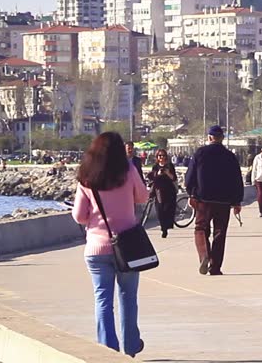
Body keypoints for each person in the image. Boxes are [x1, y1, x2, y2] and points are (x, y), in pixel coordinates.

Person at [72, 132, 148, 356]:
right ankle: (131, 346)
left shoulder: (86, 175)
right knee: (128, 297)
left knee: (103, 299)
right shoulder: (128, 170)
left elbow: (79, 216)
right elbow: (143, 197)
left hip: (96, 248)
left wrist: (94, 217)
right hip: (128, 247)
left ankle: (108, 350)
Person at [185, 126, 244, 276]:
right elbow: (237, 180)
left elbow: (190, 177)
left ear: (209, 137)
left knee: (200, 229)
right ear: (222, 138)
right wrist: (237, 201)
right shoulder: (230, 156)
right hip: (224, 201)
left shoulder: (200, 153)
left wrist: (191, 194)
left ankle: (204, 254)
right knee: (220, 233)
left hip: (203, 200)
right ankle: (215, 267)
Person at [147, 148, 178, 238]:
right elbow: (152, 177)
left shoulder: (169, 166)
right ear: (157, 157)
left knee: (168, 210)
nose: (161, 157)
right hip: (159, 191)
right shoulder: (155, 166)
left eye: (163, 155)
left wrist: (167, 173)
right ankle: (163, 227)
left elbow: (174, 178)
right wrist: (157, 173)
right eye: (159, 156)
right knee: (159, 210)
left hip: (169, 191)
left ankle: (166, 228)